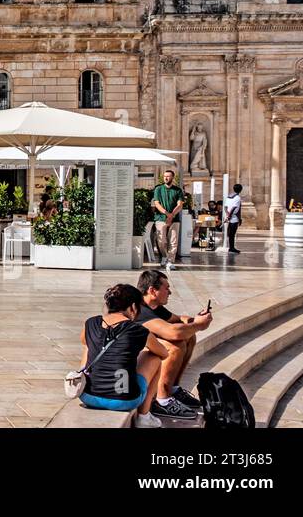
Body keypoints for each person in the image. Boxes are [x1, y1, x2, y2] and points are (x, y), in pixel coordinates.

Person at [77, 283, 168, 427]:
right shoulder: (138, 330)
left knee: (90, 345)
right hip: (124, 399)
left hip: (87, 396)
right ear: (132, 307)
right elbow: (164, 353)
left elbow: (84, 340)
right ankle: (144, 417)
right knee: (154, 358)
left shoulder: (91, 322)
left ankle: (89, 381)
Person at [135, 269, 211, 421]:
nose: (170, 292)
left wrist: (193, 321)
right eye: (166, 288)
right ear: (152, 290)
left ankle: (173, 389)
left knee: (189, 337)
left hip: (141, 351)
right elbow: (174, 333)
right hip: (131, 358)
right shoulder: (140, 310)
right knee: (174, 346)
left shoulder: (155, 307)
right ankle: (162, 400)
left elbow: (178, 320)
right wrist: (198, 325)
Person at [151, 169, 184, 266]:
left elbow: (180, 205)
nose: (166, 178)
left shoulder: (178, 190)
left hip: (175, 219)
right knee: (161, 240)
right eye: (165, 176)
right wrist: (167, 214)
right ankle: (164, 256)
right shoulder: (158, 189)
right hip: (160, 218)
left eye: (168, 176)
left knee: (173, 241)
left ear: (172, 177)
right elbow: (157, 204)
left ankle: (170, 261)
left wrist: (171, 215)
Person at [223, 184, 243, 254]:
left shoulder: (229, 197)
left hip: (230, 216)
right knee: (232, 234)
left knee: (230, 233)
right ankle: (231, 248)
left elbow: (225, 207)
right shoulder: (237, 198)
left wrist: (228, 215)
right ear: (241, 190)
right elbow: (234, 208)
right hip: (234, 218)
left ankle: (231, 247)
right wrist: (229, 216)